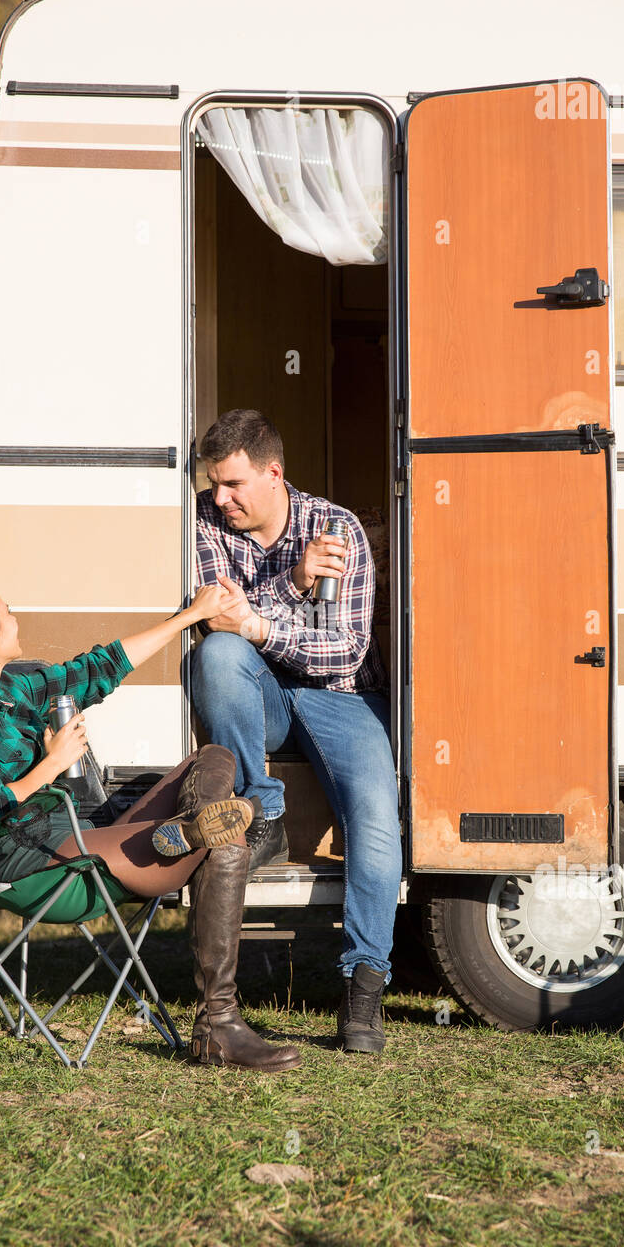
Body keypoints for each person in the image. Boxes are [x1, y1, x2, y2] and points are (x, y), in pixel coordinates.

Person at [0, 579, 301, 1074]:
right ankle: (217, 1025)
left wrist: (189, 618)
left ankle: (188, 829)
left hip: (79, 838)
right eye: (7, 612)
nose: (17, 618)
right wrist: (52, 765)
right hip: (32, 863)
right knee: (226, 847)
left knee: (214, 756)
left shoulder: (15, 687)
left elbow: (100, 667)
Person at [191, 408, 402, 1055]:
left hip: (342, 695)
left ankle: (364, 985)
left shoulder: (334, 528)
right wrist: (293, 583)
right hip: (264, 692)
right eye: (215, 484)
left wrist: (259, 623)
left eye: (233, 485)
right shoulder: (203, 519)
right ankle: (264, 810)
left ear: (273, 473)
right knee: (215, 657)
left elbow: (341, 651)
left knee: (372, 814)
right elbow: (215, 622)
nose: (220, 498)